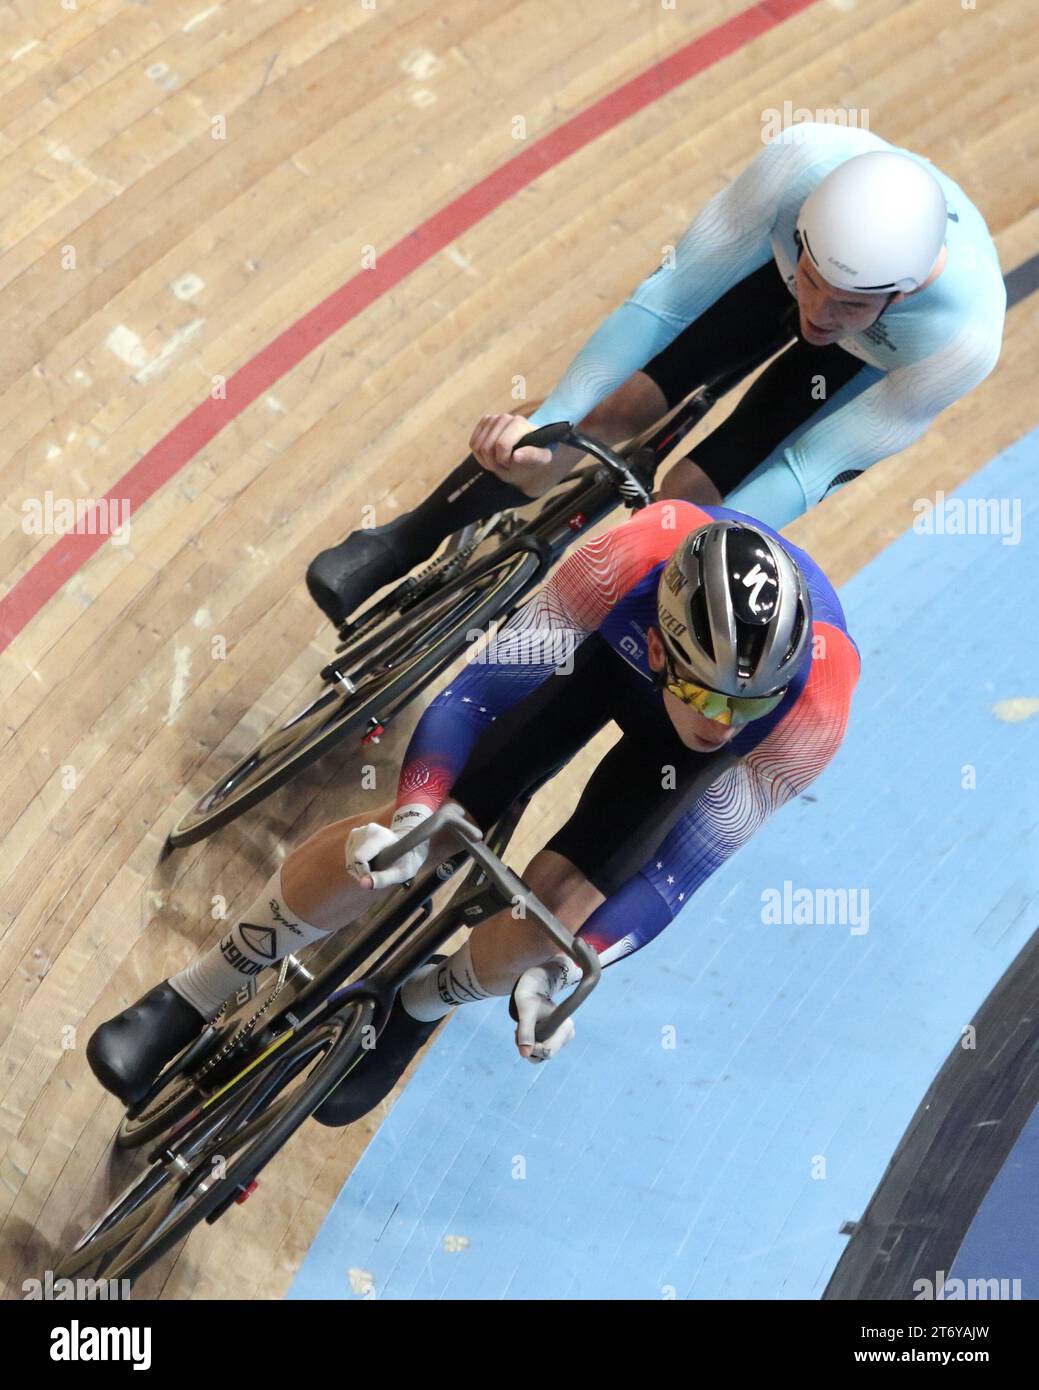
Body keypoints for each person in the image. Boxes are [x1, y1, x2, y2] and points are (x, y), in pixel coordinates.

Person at [88, 499, 860, 1125]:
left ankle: (424, 1001)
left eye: (747, 701)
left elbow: (676, 873)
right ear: (661, 646)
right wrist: (413, 812)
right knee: (417, 837)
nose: (724, 721)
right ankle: (196, 991)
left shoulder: (813, 709)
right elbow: (473, 694)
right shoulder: (625, 558)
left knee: (551, 921)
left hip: (673, 765)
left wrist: (565, 968)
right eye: (705, 691)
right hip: (590, 668)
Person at [306, 122, 1004, 627]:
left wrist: (689, 546)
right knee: (601, 417)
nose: (817, 313)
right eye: (814, 281)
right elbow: (667, 301)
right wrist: (551, 420)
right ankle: (402, 538)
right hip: (767, 280)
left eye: (847, 303)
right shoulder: (799, 165)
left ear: (901, 292)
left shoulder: (959, 338)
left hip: (864, 364)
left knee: (687, 503)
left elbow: (807, 466)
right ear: (803, 237)